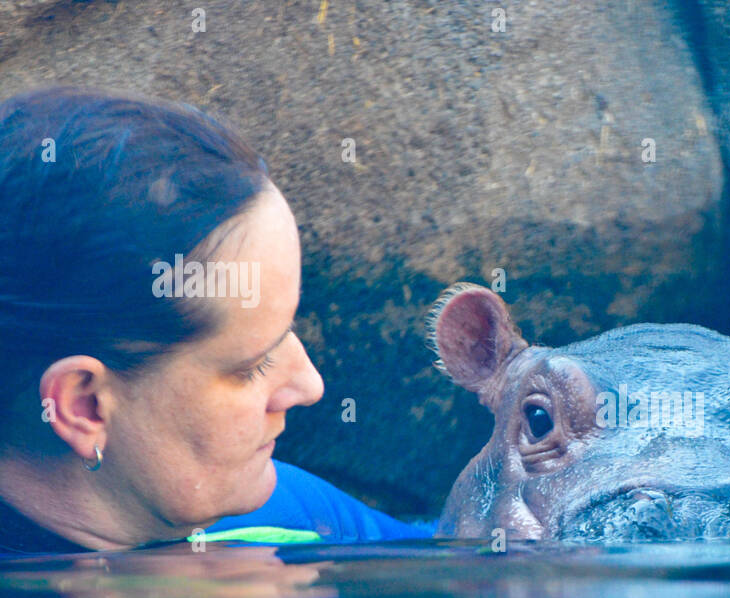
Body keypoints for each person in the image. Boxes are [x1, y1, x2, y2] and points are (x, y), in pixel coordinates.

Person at [0, 87, 431, 556]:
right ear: (85, 406)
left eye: (287, 330)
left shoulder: (295, 515)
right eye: (253, 366)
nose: (309, 386)